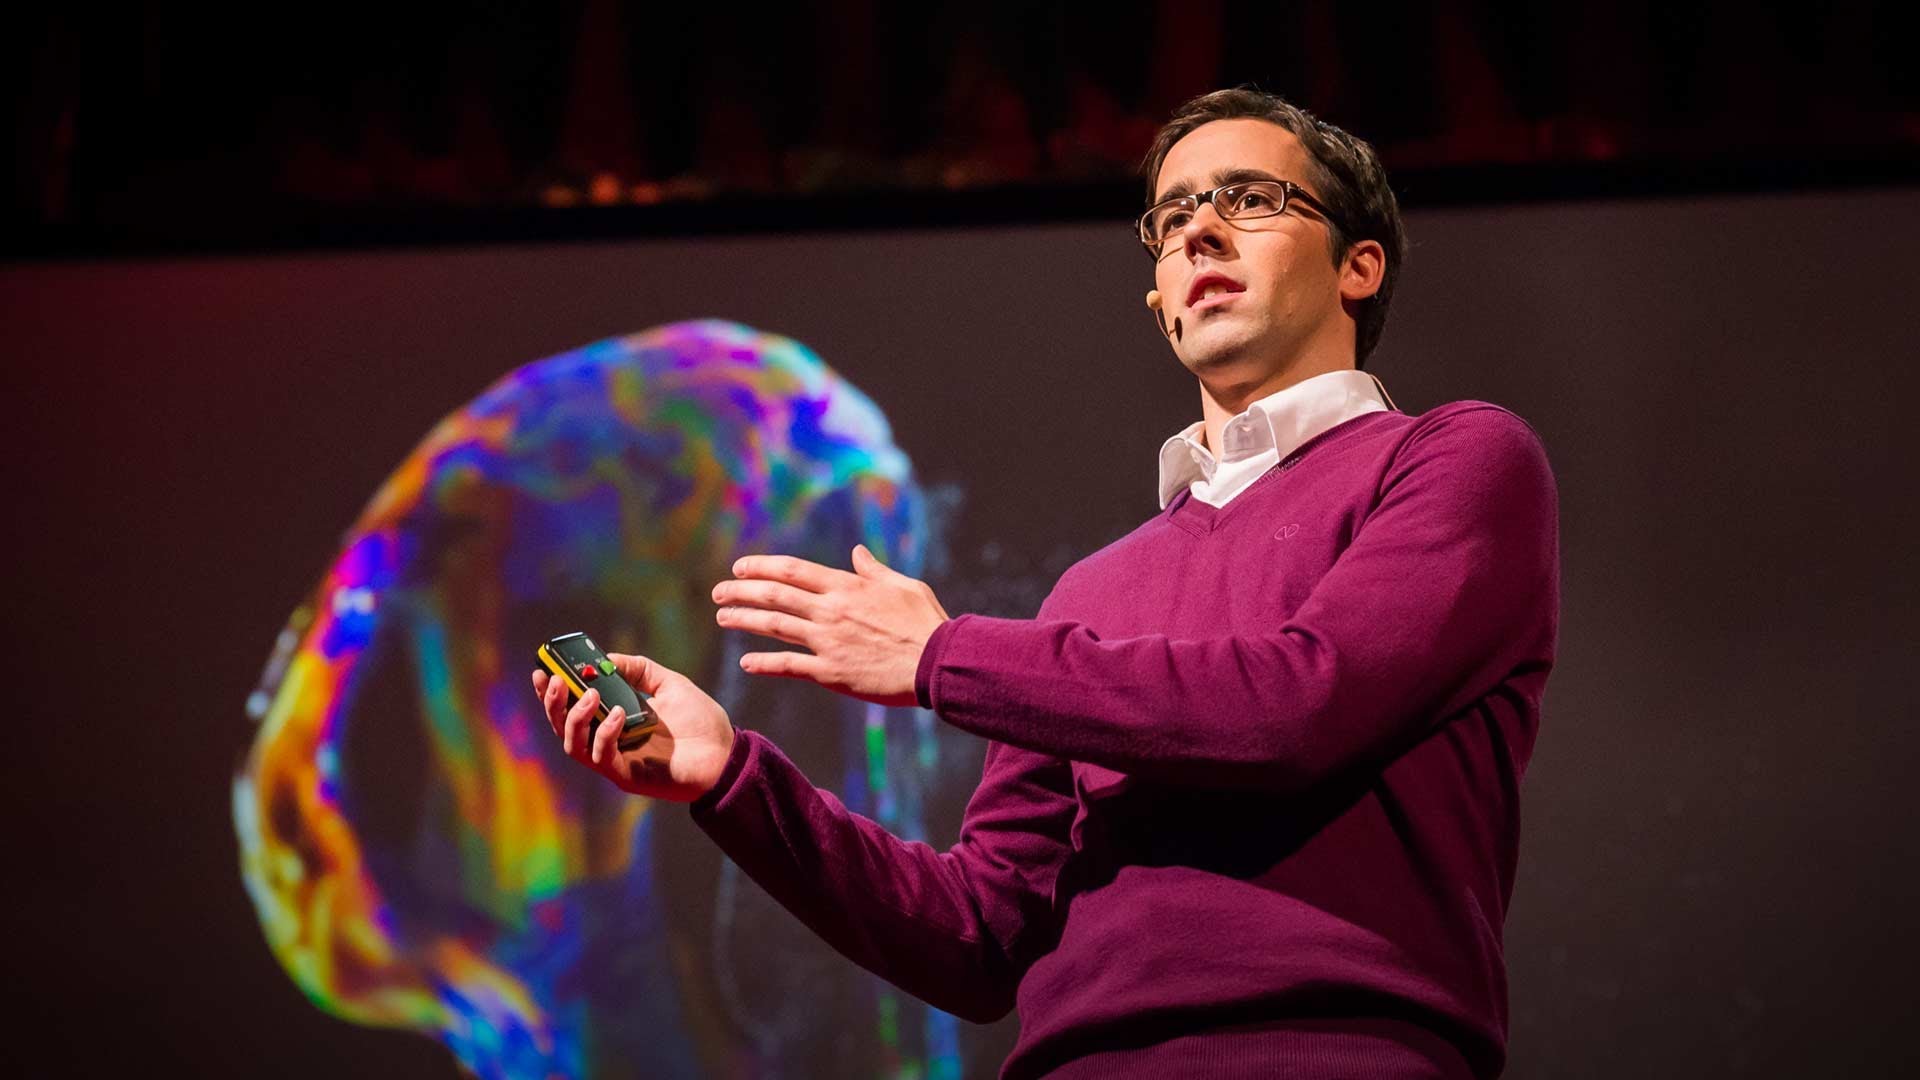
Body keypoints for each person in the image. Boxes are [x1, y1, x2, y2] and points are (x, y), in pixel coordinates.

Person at [533, 87, 1559, 1079]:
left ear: (1359, 266)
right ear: (1158, 300)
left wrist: (944, 657)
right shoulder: (1090, 593)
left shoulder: (1455, 459)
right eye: (1171, 218)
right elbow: (981, 936)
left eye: (1250, 200)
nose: (1199, 233)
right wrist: (731, 781)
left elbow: (1301, 702)